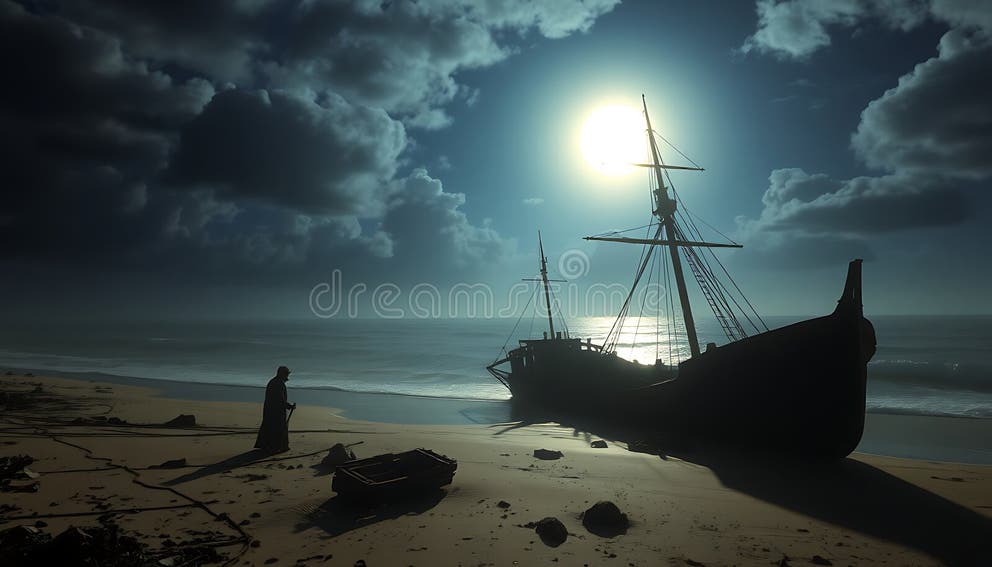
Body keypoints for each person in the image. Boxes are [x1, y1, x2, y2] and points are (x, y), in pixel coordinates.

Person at [254, 365, 296, 453]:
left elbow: (280, 399)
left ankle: (268, 445)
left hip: (270, 409)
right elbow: (280, 399)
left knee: (269, 427)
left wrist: (288, 405)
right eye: (286, 374)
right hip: (276, 411)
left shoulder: (274, 382)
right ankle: (278, 446)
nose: (287, 376)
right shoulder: (278, 383)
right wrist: (289, 406)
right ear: (282, 374)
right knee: (277, 428)